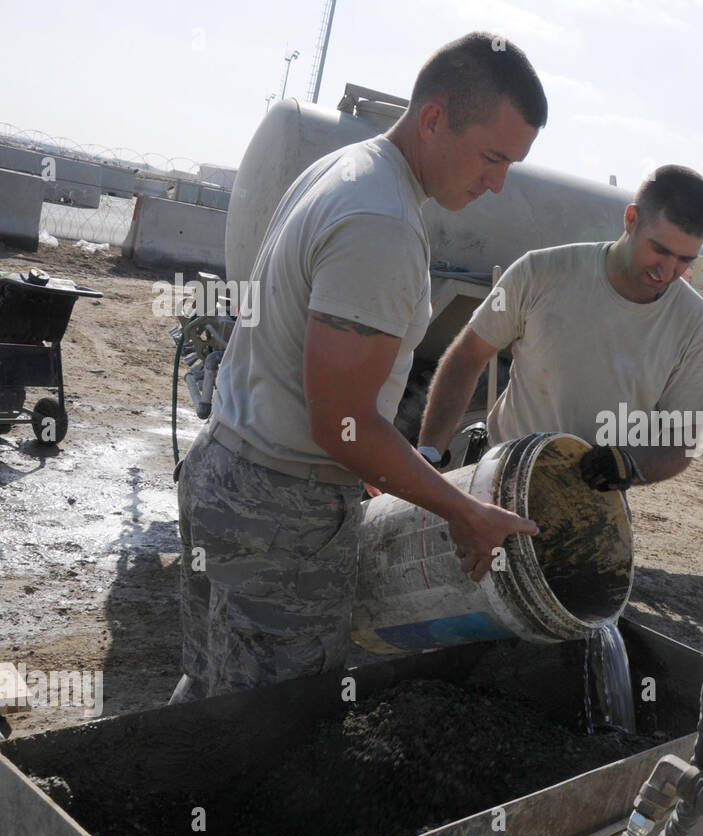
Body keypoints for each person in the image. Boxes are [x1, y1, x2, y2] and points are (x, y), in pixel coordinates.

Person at [171, 34, 546, 703]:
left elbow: (325, 404)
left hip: (226, 470)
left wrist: (376, 468)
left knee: (208, 697)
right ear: (434, 118)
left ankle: (180, 806)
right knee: (274, 731)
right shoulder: (383, 224)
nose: (498, 183)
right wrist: (460, 510)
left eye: (511, 164)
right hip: (280, 516)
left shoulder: (350, 167)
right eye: (493, 157)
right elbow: (340, 423)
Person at [417, 165, 703, 493]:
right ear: (631, 220)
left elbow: (685, 439)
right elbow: (467, 357)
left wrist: (630, 465)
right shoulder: (539, 272)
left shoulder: (695, 324)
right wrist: (430, 451)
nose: (666, 271)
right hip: (499, 486)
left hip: (593, 506)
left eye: (684, 260)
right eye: (659, 250)